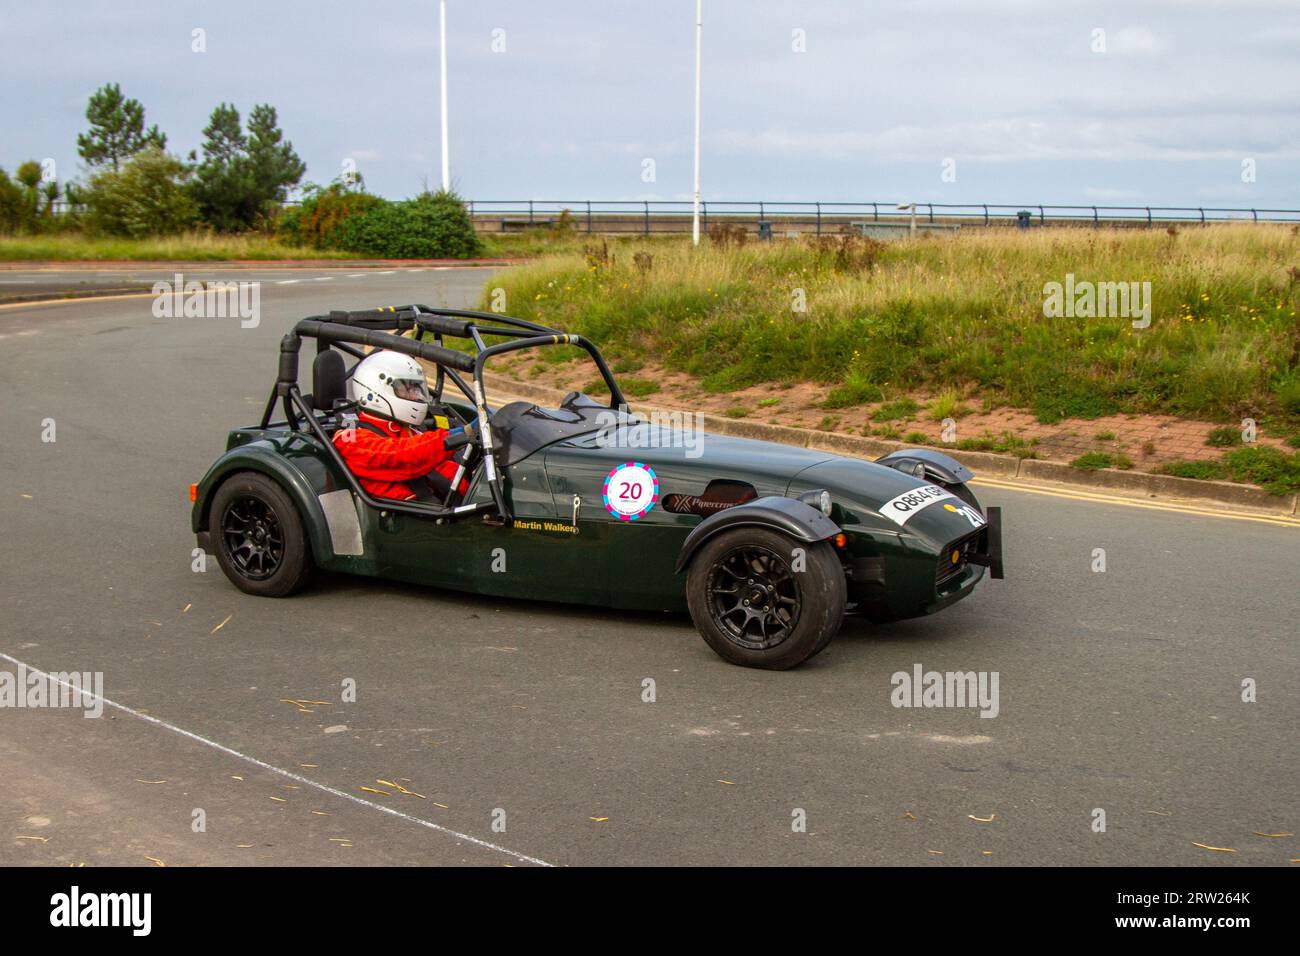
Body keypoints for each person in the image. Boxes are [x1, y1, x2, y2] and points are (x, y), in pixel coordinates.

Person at [333, 350, 472, 502]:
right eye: (406, 390)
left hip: (440, 507)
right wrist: (461, 435)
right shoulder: (349, 437)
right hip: (404, 519)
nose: (414, 396)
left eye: (416, 389)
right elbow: (403, 456)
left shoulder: (407, 429)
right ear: (375, 389)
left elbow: (443, 469)